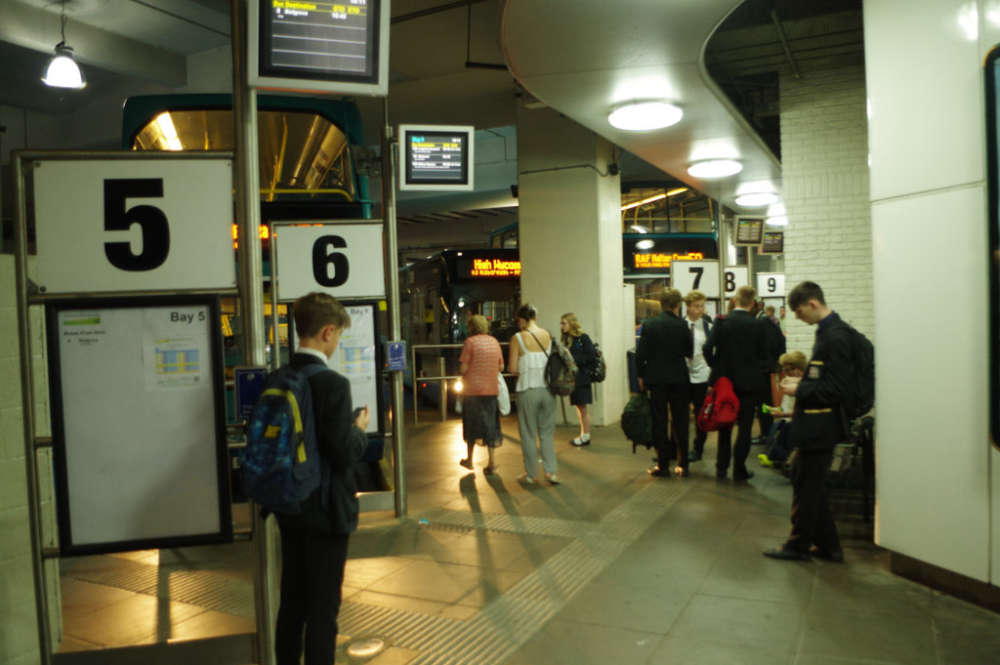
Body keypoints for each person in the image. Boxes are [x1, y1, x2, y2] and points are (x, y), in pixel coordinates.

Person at [275, 292, 369, 665]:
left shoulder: (281, 376)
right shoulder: (332, 384)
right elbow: (343, 451)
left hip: (289, 505)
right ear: (328, 331)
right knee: (322, 610)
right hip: (326, 512)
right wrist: (358, 429)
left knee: (292, 603)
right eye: (339, 336)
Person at [764, 281, 851, 562]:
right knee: (807, 481)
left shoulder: (834, 337)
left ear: (812, 304)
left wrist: (798, 389)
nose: (799, 318)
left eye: (800, 312)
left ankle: (798, 545)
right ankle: (829, 546)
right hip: (819, 425)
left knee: (807, 486)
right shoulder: (831, 333)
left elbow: (835, 388)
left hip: (820, 426)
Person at [703, 285, 769, 481]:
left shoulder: (722, 322)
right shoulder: (758, 325)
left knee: (724, 424)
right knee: (745, 428)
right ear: (753, 303)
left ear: (735, 300)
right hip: (749, 385)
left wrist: (717, 368)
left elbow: (707, 348)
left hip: (725, 384)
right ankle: (739, 469)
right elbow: (765, 357)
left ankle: (721, 468)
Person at [636, 288, 693, 477]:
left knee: (659, 421)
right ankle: (683, 463)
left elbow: (641, 354)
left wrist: (641, 375)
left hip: (656, 378)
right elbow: (688, 352)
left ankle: (662, 465)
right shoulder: (683, 325)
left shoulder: (650, 325)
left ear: (661, 304)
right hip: (679, 378)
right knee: (680, 421)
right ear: (678, 305)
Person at [508, 304, 559, 484]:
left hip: (527, 390)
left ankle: (531, 474)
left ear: (521, 319)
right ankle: (551, 472)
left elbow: (513, 368)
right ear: (535, 317)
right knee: (546, 433)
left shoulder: (518, 338)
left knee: (528, 434)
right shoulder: (547, 335)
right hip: (548, 391)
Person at [458, 314, 504, 473]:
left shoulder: (469, 343)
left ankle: (470, 460)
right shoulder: (494, 342)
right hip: (491, 390)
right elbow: (501, 367)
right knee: (490, 425)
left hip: (472, 391)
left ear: (471, 327)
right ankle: (492, 462)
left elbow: (463, 368)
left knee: (471, 425)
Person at [758, 350, 807, 468]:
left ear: (797, 369)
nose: (784, 373)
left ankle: (779, 457)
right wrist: (776, 410)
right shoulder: (791, 383)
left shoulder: (803, 386)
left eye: (787, 370)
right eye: (784, 370)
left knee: (784, 426)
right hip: (790, 418)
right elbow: (786, 406)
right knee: (777, 426)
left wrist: (781, 414)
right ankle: (776, 455)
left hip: (798, 420)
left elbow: (798, 412)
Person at [683, 290, 713, 462]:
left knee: (701, 414)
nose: (700, 310)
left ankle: (698, 449)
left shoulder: (708, 327)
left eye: (702, 306)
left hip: (702, 375)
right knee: (680, 415)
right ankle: (677, 448)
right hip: (683, 376)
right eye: (696, 306)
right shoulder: (680, 325)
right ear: (688, 307)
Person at [560, 312, 597, 447]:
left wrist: (573, 359)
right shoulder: (567, 339)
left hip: (582, 377)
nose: (561, 326)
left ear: (571, 323)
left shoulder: (582, 338)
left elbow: (591, 355)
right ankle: (583, 435)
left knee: (582, 408)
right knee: (579, 407)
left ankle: (585, 436)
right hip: (574, 378)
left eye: (564, 323)